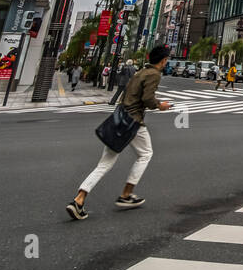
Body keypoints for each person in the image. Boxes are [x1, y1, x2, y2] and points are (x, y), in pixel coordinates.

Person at [66, 44, 172, 220]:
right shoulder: (154, 74)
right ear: (163, 60)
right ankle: (126, 194)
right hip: (133, 121)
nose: (166, 62)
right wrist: (160, 106)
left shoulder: (141, 72)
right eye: (166, 59)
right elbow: (147, 99)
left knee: (105, 163)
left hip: (120, 117)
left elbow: (134, 95)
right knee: (146, 154)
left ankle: (79, 199)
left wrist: (154, 101)